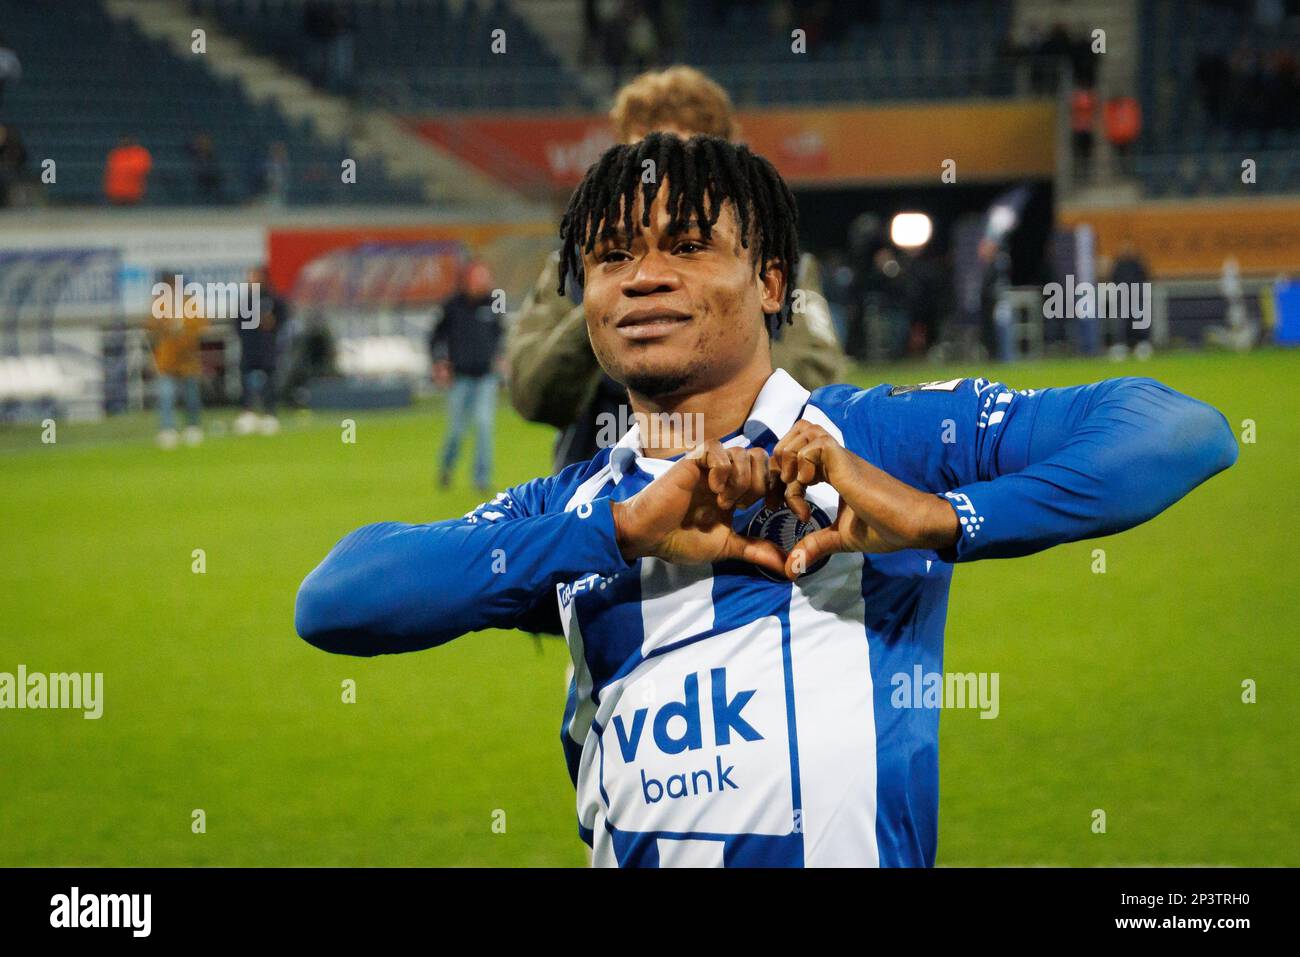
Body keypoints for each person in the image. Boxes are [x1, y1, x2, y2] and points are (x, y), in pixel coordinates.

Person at [295, 134, 1237, 868]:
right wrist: (618, 531)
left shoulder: (875, 440)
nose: (644, 275)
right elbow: (337, 598)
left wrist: (938, 520)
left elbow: (1176, 428)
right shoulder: (581, 507)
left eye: (689, 246)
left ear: (771, 280)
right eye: (612, 255)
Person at [507, 65, 843, 474]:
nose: (659, 185)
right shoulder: (575, 267)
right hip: (601, 506)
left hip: (743, 496)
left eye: (682, 164)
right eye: (641, 162)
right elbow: (533, 396)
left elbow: (816, 383)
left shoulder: (770, 262)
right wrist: (613, 299)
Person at [431, 261, 503, 492]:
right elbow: (436, 337)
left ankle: (481, 480)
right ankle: (446, 467)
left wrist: (501, 357)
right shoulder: (452, 306)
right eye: (479, 277)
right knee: (456, 430)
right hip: (460, 378)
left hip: (485, 377)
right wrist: (440, 362)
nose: (484, 281)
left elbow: (501, 333)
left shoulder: (494, 303)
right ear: (468, 279)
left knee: (484, 426)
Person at [146, 278, 208, 448]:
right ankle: (167, 430)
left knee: (191, 397)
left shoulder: (190, 304)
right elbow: (150, 328)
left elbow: (201, 327)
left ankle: (193, 427)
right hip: (166, 362)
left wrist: (183, 328)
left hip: (188, 361)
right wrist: (166, 325)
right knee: (166, 396)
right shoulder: (160, 305)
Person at [235, 267, 285, 435]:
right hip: (249, 348)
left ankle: (270, 414)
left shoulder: (272, 299)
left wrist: (273, 327)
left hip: (267, 348)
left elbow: (282, 318)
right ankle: (247, 413)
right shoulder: (246, 301)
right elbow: (236, 323)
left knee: (269, 381)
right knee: (246, 382)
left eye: (254, 276)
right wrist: (246, 335)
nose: (250, 280)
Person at [104, 136, 152, 206]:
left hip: (133, 194)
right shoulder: (116, 154)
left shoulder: (140, 154)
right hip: (116, 194)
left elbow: (142, 171)